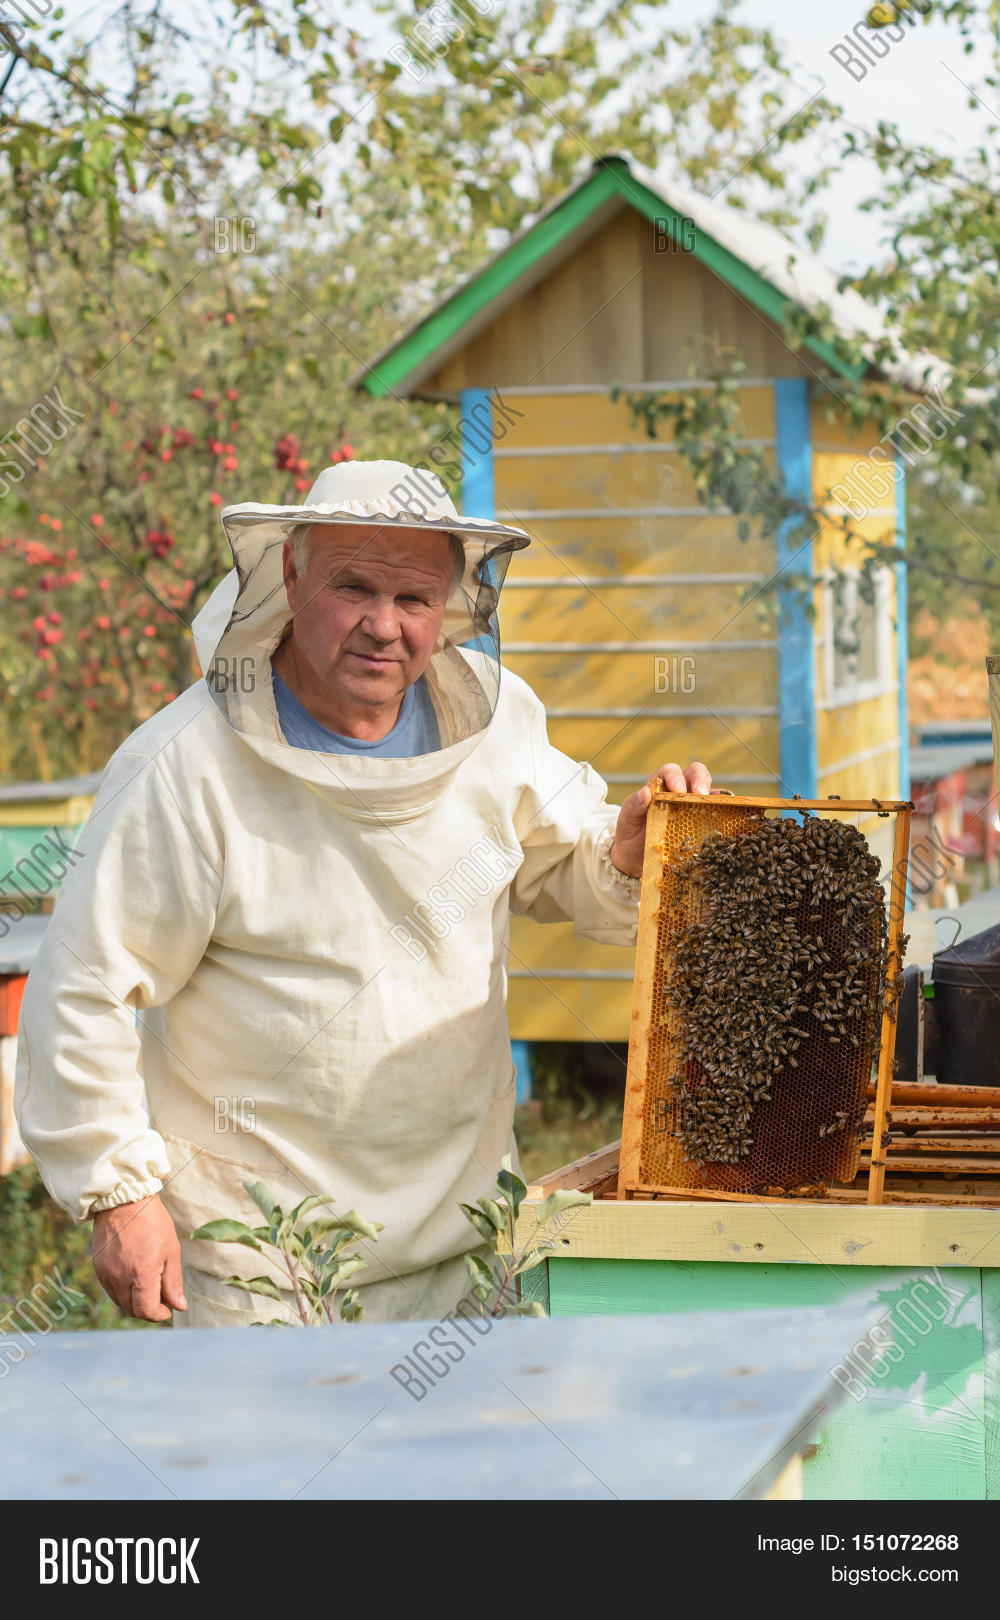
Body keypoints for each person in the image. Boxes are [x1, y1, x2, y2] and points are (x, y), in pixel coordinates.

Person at [15, 459, 711, 1325]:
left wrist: (631, 852)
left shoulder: (496, 727)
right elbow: (82, 984)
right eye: (354, 588)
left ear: (452, 601)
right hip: (261, 1260)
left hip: (466, 1235)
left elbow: (569, 868)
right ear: (293, 574)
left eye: (415, 599)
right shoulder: (182, 768)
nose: (385, 627)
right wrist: (118, 1192)